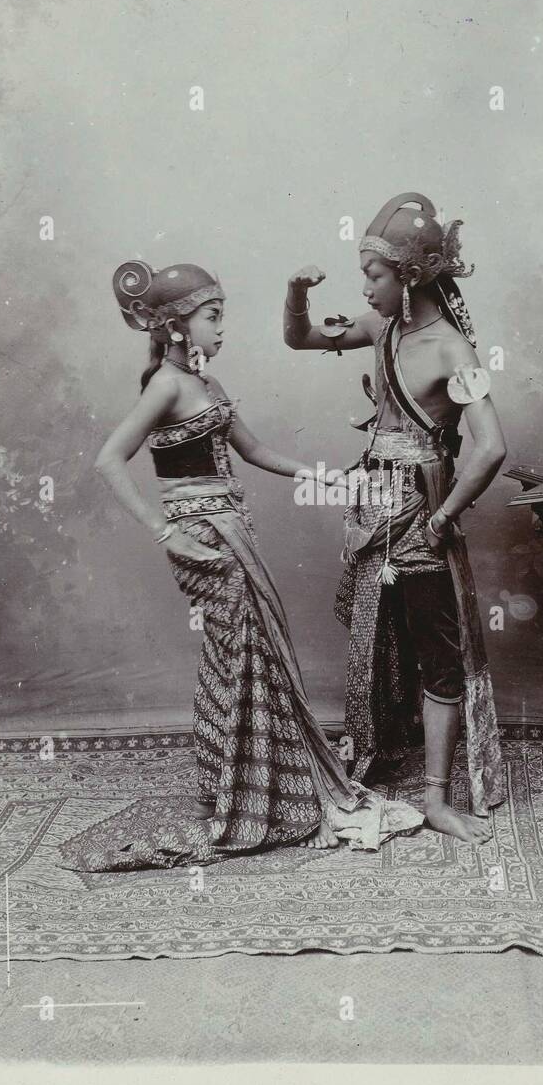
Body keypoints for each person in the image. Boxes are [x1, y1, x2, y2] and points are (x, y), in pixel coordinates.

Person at [59, 259, 422, 872]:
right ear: (176, 327)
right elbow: (108, 460)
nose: (221, 328)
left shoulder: (211, 386)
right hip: (202, 536)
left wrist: (323, 476)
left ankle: (254, 785)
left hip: (236, 529)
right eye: (211, 317)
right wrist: (164, 532)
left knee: (256, 655)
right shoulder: (167, 387)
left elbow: (252, 451)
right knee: (245, 654)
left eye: (221, 315)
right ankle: (244, 793)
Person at [284, 193, 507, 845]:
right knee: (371, 645)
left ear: (408, 278)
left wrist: (441, 518)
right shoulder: (382, 330)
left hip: (418, 517)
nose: (365, 288)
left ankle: (438, 799)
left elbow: (491, 446)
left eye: (374, 276)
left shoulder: (451, 351)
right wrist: (295, 291)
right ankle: (371, 762)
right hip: (369, 515)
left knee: (438, 657)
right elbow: (298, 336)